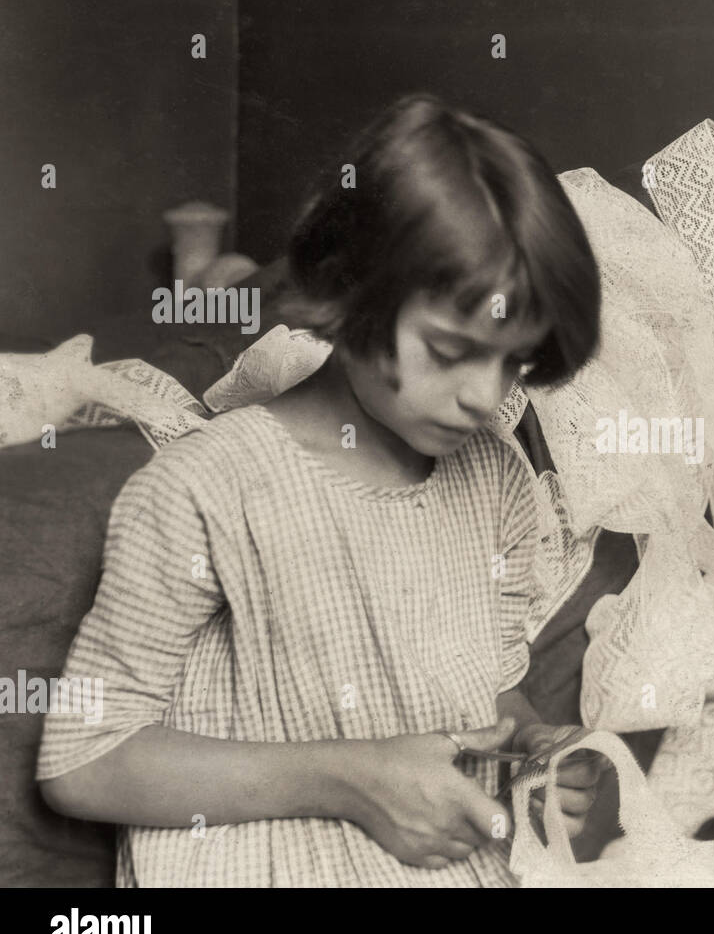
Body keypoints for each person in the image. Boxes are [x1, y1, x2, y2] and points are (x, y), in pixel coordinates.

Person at [37, 94, 605, 887]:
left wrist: (530, 747)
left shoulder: (498, 480)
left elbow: (488, 696)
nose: (485, 395)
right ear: (350, 291)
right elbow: (81, 759)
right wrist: (353, 780)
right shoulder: (207, 486)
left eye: (514, 361)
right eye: (450, 350)